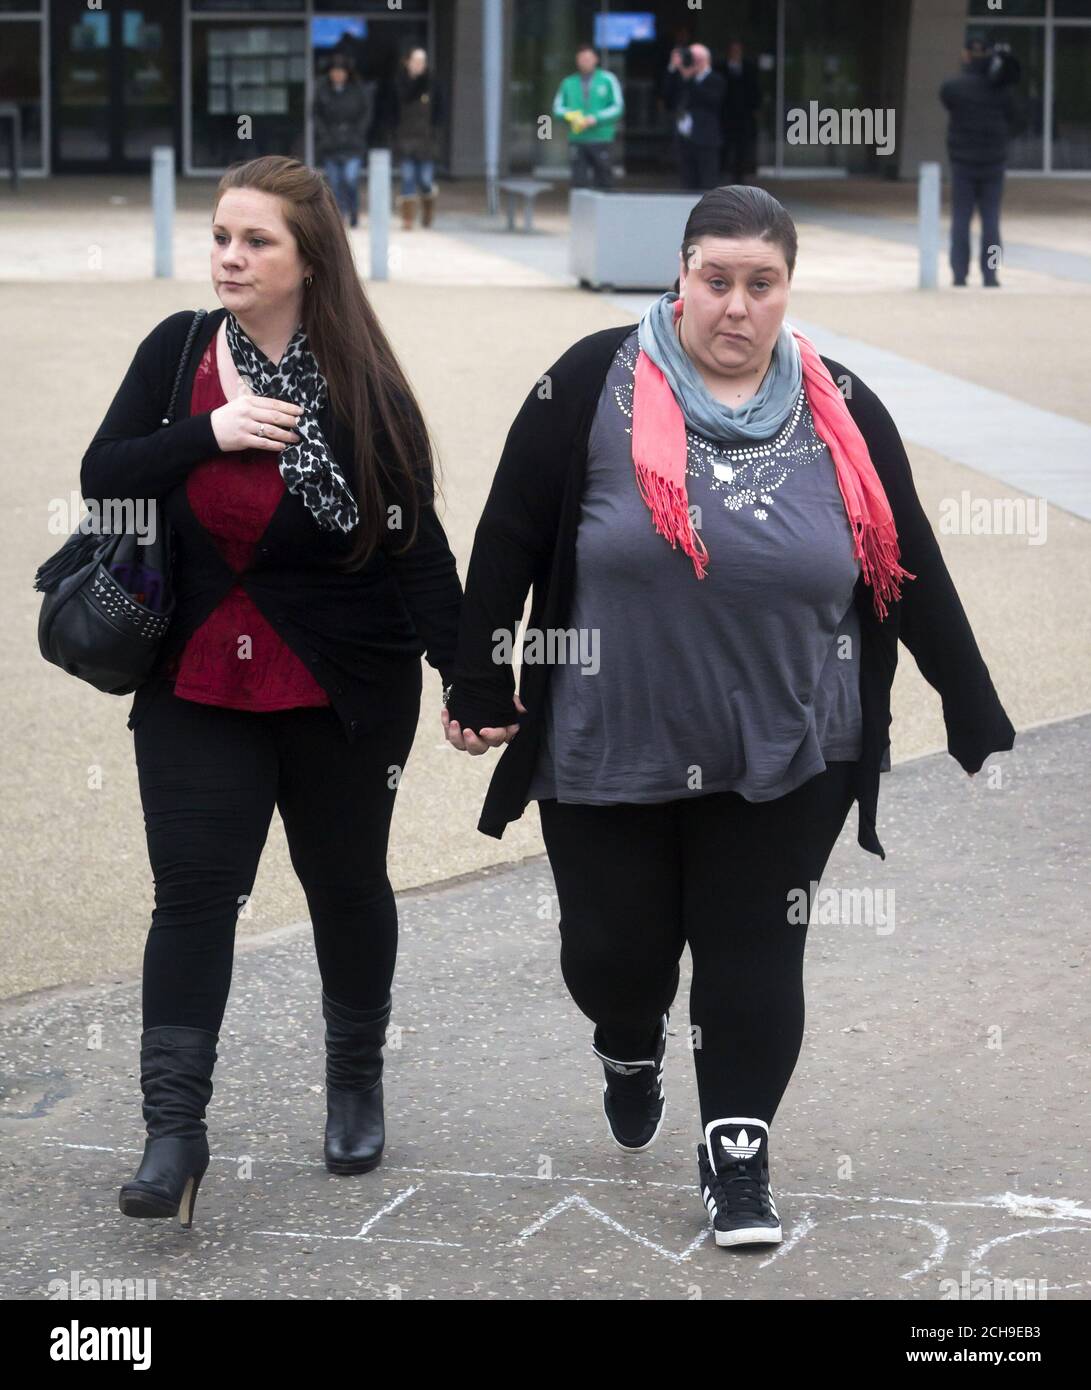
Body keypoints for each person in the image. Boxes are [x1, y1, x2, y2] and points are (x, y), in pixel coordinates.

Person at [441, 185, 1015, 1250]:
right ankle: (624, 1036)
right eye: (716, 280)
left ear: (786, 289)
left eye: (761, 284)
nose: (736, 307)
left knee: (754, 954)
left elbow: (906, 559)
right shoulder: (584, 382)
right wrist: (478, 682)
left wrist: (968, 703)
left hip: (791, 743)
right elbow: (507, 537)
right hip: (607, 740)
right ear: (681, 276)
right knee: (615, 951)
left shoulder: (838, 402)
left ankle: (736, 1157)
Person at [80, 155, 462, 1226]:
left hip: (343, 684)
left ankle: (353, 1078)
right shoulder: (179, 353)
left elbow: (414, 548)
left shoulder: (363, 383)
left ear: (309, 259)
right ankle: (173, 1130)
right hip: (195, 674)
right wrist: (207, 433)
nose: (230, 258)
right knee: (194, 894)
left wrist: (471, 677)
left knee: (345, 885)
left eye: (256, 242)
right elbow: (103, 471)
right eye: (220, 237)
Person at [939, 37, 1024, 288]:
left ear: (966, 56)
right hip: (993, 163)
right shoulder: (1002, 91)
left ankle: (959, 274)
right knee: (991, 222)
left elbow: (947, 99)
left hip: (963, 163)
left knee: (960, 221)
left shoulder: (953, 87)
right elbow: (1017, 118)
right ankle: (991, 274)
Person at [551, 44, 625, 191]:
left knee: (604, 178)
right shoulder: (568, 82)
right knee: (578, 180)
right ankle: (581, 213)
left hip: (601, 138)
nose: (585, 61)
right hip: (577, 138)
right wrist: (573, 117)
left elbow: (618, 107)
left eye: (588, 58)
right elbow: (557, 109)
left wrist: (595, 118)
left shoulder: (608, 79)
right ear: (577, 61)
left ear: (595, 59)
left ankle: (605, 211)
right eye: (581, 58)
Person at [313, 51, 373, 229]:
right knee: (335, 183)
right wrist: (324, 134)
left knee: (350, 179)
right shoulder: (323, 90)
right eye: (334, 71)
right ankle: (340, 215)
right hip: (331, 144)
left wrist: (358, 132)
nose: (337, 75)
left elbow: (366, 113)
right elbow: (316, 114)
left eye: (341, 71)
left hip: (352, 144)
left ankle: (353, 211)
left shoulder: (357, 90)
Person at [392, 47, 445, 231]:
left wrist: (436, 136)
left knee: (425, 179)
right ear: (407, 62)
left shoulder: (433, 85)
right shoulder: (399, 84)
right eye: (415, 61)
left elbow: (439, 114)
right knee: (407, 177)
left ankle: (428, 210)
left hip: (426, 141)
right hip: (405, 139)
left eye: (421, 61)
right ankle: (407, 219)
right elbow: (393, 113)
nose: (418, 65)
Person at [670, 44, 727, 191]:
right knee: (687, 182)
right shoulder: (684, 80)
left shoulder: (716, 79)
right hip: (686, 138)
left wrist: (691, 79)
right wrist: (674, 68)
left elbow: (712, 102)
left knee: (707, 181)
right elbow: (669, 95)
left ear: (702, 60)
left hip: (706, 139)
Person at [718, 39, 761, 184]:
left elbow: (755, 90)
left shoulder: (749, 67)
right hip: (726, 115)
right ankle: (723, 172)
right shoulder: (721, 68)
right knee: (725, 145)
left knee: (742, 147)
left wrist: (755, 109)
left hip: (744, 115)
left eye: (738, 50)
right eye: (733, 50)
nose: (736, 53)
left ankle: (739, 175)